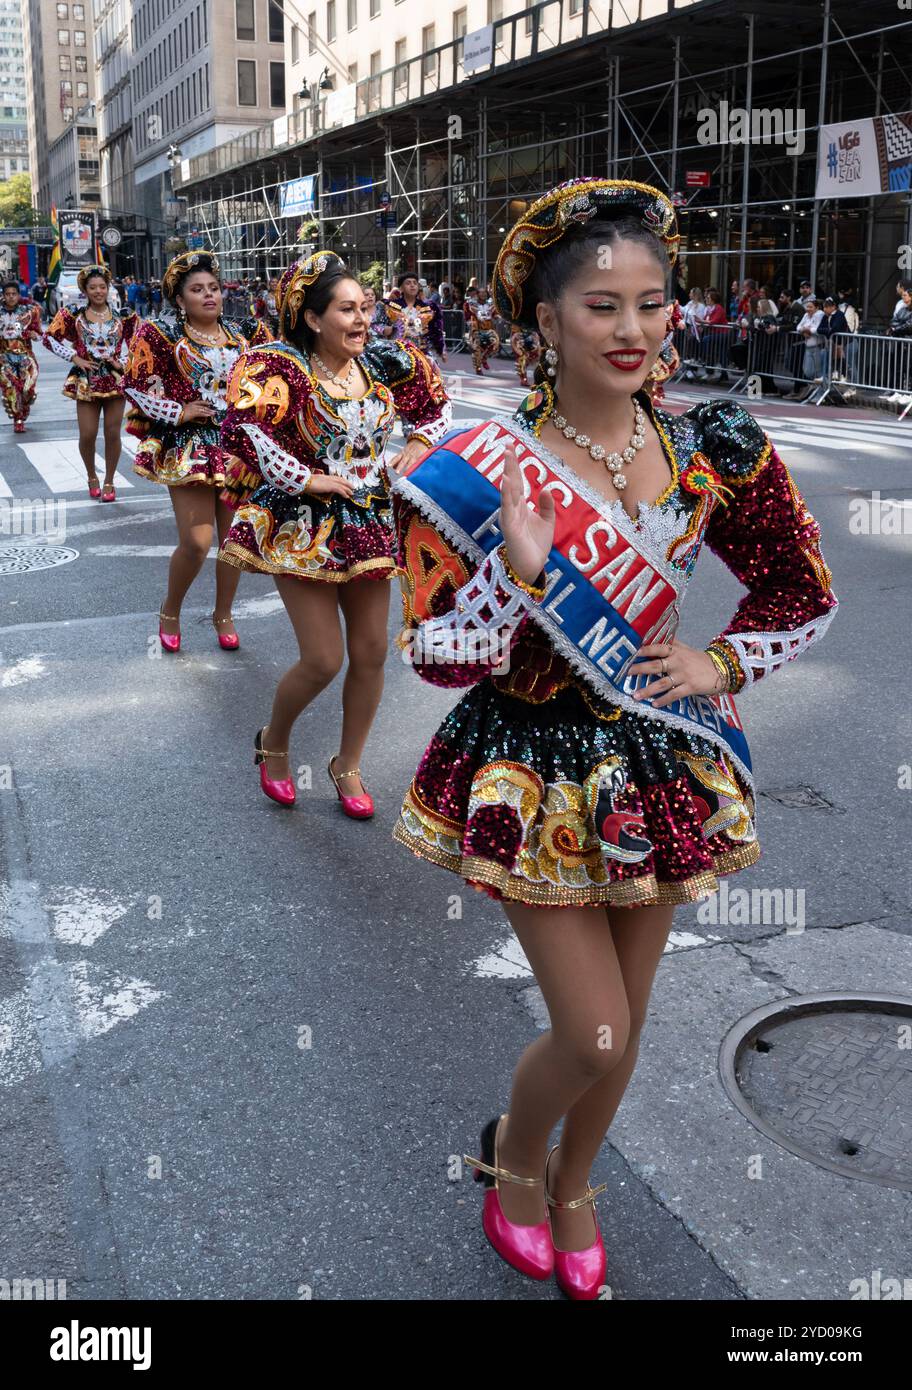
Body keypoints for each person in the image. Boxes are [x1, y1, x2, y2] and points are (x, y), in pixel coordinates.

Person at [389, 177, 838, 1299]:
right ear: (544, 322)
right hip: (531, 762)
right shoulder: (473, 468)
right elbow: (434, 653)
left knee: (629, 1022)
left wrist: (717, 663)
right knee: (590, 1032)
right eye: (601, 306)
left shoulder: (709, 448)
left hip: (658, 752)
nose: (634, 329)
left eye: (653, 302)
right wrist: (517, 576)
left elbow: (802, 590)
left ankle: (576, 1180)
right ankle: (513, 1165)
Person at [216, 250, 452, 812]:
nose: (362, 321)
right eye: (347, 310)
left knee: (370, 653)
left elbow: (436, 411)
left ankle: (348, 764)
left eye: (365, 308)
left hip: (370, 519)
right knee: (323, 658)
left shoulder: (388, 363)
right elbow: (242, 431)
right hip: (300, 522)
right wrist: (309, 478)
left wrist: (416, 447)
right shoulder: (278, 367)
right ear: (314, 318)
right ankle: (274, 743)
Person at [122, 250, 270, 650]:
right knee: (197, 542)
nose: (209, 295)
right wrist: (178, 410)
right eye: (197, 289)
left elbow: (278, 380)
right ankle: (170, 609)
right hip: (191, 447)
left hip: (237, 449)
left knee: (234, 541)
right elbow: (133, 383)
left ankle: (224, 613)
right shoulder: (161, 336)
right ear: (180, 299)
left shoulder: (249, 334)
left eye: (214, 288)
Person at [43, 264, 139, 498]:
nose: (98, 291)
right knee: (87, 434)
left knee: (113, 433)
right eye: (93, 287)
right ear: (84, 290)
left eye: (102, 287)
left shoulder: (124, 316)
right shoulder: (73, 315)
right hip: (86, 380)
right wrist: (75, 357)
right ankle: (91, 475)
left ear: (109, 289)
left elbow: (139, 344)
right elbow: (49, 339)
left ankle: (109, 481)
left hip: (114, 381)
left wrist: (122, 361)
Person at [0, 280, 42, 433]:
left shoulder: (29, 312)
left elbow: (39, 335)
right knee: (10, 388)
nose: (11, 297)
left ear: (18, 295)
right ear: (3, 296)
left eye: (14, 294)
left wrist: (34, 334)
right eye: (7, 294)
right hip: (4, 357)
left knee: (27, 388)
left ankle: (24, 405)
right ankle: (17, 419)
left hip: (25, 355)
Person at [383, 272, 447, 363]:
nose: (412, 285)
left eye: (415, 283)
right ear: (401, 288)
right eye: (408, 283)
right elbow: (376, 323)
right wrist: (384, 329)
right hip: (397, 352)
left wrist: (441, 349)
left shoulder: (428, 307)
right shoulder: (391, 306)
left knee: (432, 370)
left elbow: (437, 330)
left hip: (421, 352)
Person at [464, 286, 501, 374]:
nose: (483, 294)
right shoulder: (471, 304)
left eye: (485, 292)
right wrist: (470, 322)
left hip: (488, 328)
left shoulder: (490, 304)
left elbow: (494, 314)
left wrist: (498, 317)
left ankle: (484, 358)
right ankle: (478, 367)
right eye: (481, 292)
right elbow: (467, 315)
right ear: (477, 294)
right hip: (477, 328)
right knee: (477, 348)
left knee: (495, 343)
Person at [795, 295, 825, 383]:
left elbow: (818, 329)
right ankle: (815, 386)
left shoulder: (820, 314)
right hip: (808, 346)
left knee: (819, 371)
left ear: (816, 308)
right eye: (807, 307)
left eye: (810, 307)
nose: (808, 309)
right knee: (808, 371)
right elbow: (798, 327)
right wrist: (803, 330)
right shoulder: (806, 315)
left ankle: (821, 391)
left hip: (818, 347)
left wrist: (808, 330)